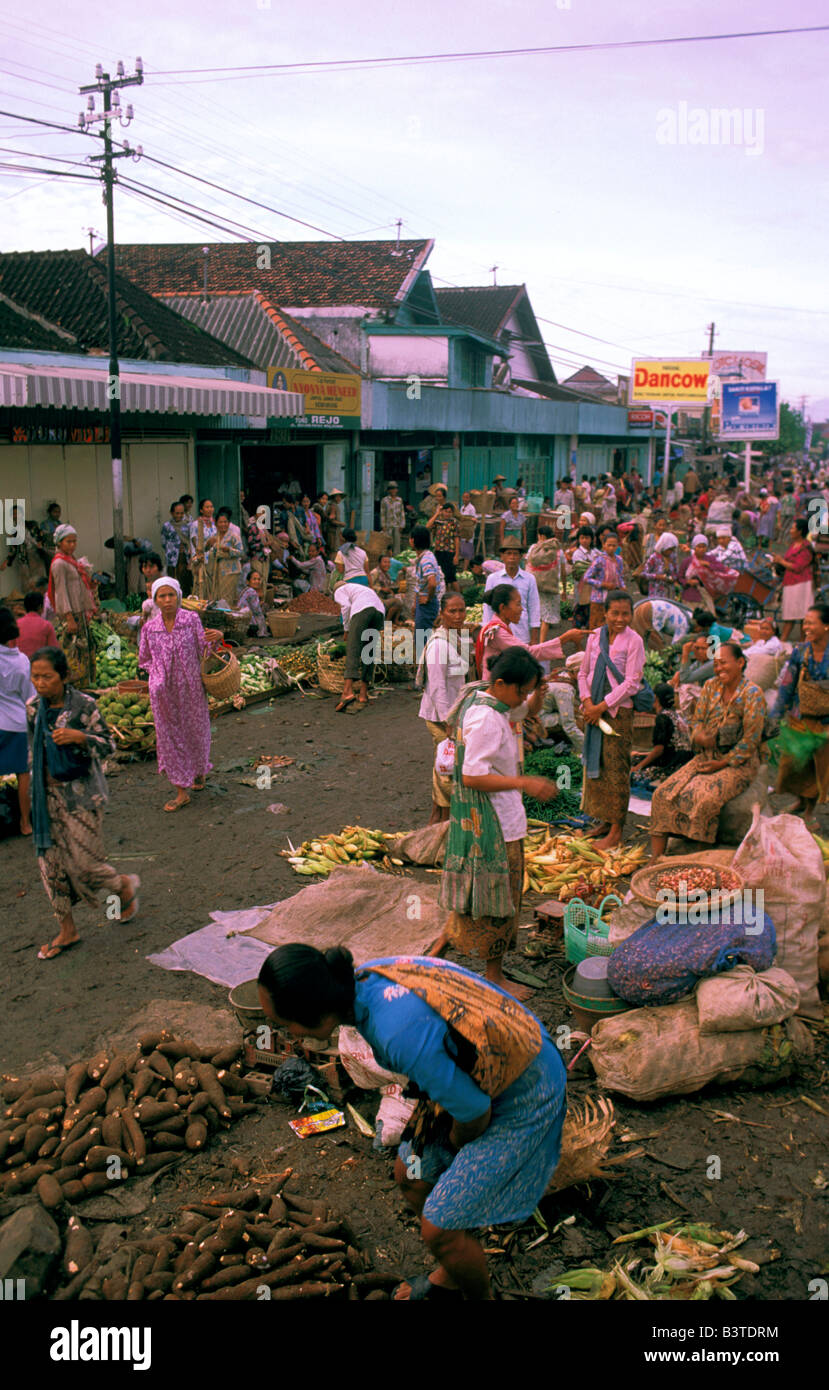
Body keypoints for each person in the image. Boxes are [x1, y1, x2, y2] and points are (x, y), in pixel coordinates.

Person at [257, 944, 566, 1302]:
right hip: (480, 1066)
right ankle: (453, 1271)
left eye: (285, 1024)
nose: (290, 1034)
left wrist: (455, 1146)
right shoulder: (365, 980)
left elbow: (475, 1113)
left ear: (315, 1013)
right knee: (412, 1175)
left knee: (438, 1230)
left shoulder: (395, 1031)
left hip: (524, 1085)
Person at [441, 647, 558, 999]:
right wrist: (526, 782)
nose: (523, 698)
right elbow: (473, 775)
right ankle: (493, 976)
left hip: (492, 817)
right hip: (493, 821)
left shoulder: (483, 700)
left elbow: (524, 710)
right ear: (503, 683)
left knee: (485, 897)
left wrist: (538, 692)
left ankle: (439, 953)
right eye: (521, 690)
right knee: (500, 900)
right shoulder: (487, 720)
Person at [27, 645, 139, 959]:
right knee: (51, 867)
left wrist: (80, 738)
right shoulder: (33, 710)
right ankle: (67, 929)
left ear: (63, 676)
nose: (40, 683)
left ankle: (121, 886)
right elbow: (31, 754)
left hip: (81, 798)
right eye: (35, 677)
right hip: (45, 799)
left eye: (47, 676)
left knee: (86, 865)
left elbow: (109, 745)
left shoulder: (84, 706)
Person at [650, 642, 766, 859]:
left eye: (723, 663)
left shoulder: (753, 694)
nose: (719, 668)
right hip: (706, 756)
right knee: (662, 794)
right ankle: (656, 859)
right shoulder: (711, 687)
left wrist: (721, 763)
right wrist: (699, 736)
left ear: (740, 663)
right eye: (715, 664)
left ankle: (698, 858)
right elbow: (697, 720)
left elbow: (750, 740)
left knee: (703, 798)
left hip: (738, 763)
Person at [138, 579, 223, 812]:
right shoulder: (149, 628)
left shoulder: (191, 620)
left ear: (178, 596)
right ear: (155, 600)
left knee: (195, 729)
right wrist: (157, 674)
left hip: (191, 687)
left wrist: (216, 639)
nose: (167, 601)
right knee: (169, 735)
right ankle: (180, 790)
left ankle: (197, 770)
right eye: (161, 597)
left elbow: (203, 650)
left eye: (171, 595)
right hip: (164, 692)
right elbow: (144, 659)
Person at [578, 590, 646, 849]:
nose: (620, 618)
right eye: (614, 613)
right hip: (593, 709)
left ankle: (616, 830)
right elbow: (583, 672)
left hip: (617, 713)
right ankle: (604, 821)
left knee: (616, 770)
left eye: (625, 613)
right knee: (600, 767)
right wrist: (587, 702)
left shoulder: (634, 641)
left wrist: (601, 707)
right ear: (605, 613)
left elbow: (632, 683)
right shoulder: (595, 636)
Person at [771, 602, 829, 830]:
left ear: (826, 626)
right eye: (805, 622)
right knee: (793, 763)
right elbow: (788, 683)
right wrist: (777, 712)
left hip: (824, 722)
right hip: (799, 716)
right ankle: (798, 800)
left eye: (811, 623)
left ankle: (809, 810)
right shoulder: (800, 651)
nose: (806, 627)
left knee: (818, 768)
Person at [417, 591, 470, 822]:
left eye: (461, 610)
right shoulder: (439, 644)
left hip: (453, 714)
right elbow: (438, 687)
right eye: (452, 611)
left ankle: (438, 816)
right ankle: (441, 821)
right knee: (446, 770)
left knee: (445, 767)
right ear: (442, 613)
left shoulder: (457, 637)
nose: (458, 616)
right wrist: (448, 722)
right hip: (441, 717)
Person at [477, 583, 584, 682]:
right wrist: (565, 638)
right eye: (518, 604)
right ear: (503, 607)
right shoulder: (498, 632)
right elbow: (528, 653)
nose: (521, 609)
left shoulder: (497, 627)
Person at [46, 524, 98, 687]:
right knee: (73, 654)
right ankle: (73, 688)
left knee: (83, 652)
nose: (73, 545)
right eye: (69, 542)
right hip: (72, 615)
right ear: (59, 543)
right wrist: (69, 618)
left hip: (79, 613)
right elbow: (60, 592)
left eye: (74, 541)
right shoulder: (59, 564)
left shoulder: (71, 561)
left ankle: (84, 687)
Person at [0, 607, 34, 834]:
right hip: (18, 723)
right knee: (23, 773)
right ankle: (25, 823)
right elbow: (29, 696)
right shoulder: (22, 661)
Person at [333, 578, 385, 713]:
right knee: (369, 651)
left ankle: (347, 691)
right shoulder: (358, 588)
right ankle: (363, 693)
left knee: (353, 648)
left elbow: (346, 607)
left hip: (363, 610)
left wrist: (346, 629)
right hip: (379, 612)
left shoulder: (339, 590)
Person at [482, 537, 541, 645]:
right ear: (502, 556)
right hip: (498, 633)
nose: (512, 557)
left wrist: (534, 638)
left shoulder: (529, 579)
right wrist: (486, 632)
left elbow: (534, 607)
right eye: (508, 553)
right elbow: (488, 609)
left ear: (521, 557)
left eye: (515, 554)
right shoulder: (493, 578)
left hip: (522, 633)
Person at [631, 682, 692, 785]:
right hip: (686, 760)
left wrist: (637, 768)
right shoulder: (677, 715)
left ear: (655, 698)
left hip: (673, 763)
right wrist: (643, 754)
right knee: (637, 757)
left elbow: (659, 751)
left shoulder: (662, 718)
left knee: (633, 773)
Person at [526, 526, 569, 640]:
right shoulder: (558, 551)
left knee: (535, 613)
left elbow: (527, 566)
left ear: (541, 536)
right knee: (547, 616)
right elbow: (563, 572)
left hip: (534, 585)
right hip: (551, 587)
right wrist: (564, 590)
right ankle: (541, 642)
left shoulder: (533, 548)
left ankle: (531, 640)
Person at [778, 518, 815, 642]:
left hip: (801, 584)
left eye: (793, 528)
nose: (790, 531)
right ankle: (785, 641)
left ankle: (802, 642)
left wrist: (781, 561)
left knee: (802, 615)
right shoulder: (793, 545)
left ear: (800, 531)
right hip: (790, 582)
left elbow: (798, 567)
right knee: (790, 613)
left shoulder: (806, 547)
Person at [583, 528, 625, 631]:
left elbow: (620, 576)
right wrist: (603, 584)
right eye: (609, 545)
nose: (611, 547)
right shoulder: (599, 560)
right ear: (604, 546)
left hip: (613, 597)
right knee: (596, 626)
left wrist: (623, 586)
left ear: (617, 546)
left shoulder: (619, 560)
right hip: (598, 598)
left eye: (614, 545)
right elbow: (586, 578)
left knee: (611, 625)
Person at [0, 507, 51, 591]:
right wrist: (7, 561)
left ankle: (42, 601)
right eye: (13, 514)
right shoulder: (13, 531)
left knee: (40, 581)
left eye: (17, 513)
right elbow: (13, 549)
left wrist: (41, 543)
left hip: (37, 555)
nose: (15, 516)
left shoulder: (32, 525)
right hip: (23, 557)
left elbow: (42, 537)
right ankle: (29, 601)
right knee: (26, 583)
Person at [412, 525, 446, 635]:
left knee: (422, 638)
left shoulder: (425, 560)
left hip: (427, 604)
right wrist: (415, 603)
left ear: (413, 541)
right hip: (422, 602)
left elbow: (432, 583)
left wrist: (428, 598)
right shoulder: (427, 556)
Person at [12, 590, 58, 662]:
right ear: (40, 607)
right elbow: (54, 652)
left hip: (19, 667)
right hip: (40, 668)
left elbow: (10, 649)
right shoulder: (46, 625)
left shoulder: (16, 624)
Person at [569, 525, 598, 629]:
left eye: (587, 538)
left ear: (592, 539)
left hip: (593, 587)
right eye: (582, 538)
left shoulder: (595, 552)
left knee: (591, 614)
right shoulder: (577, 553)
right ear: (578, 539)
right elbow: (582, 570)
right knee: (580, 610)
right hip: (582, 587)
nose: (585, 540)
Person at [161, 500, 193, 597]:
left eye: (182, 513)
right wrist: (173, 549)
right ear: (171, 513)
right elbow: (163, 542)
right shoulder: (167, 526)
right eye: (177, 513)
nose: (179, 515)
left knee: (185, 580)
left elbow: (191, 539)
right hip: (172, 558)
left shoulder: (188, 525)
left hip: (185, 557)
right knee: (173, 579)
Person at [428, 502, 461, 590]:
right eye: (446, 511)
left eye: (450, 512)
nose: (447, 514)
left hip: (450, 552)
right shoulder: (438, 522)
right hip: (439, 552)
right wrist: (437, 513)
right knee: (442, 577)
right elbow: (428, 526)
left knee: (452, 577)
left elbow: (457, 539)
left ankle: (459, 597)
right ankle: (447, 597)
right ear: (442, 512)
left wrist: (456, 555)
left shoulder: (454, 522)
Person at [190, 499, 217, 601]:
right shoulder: (196, 524)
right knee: (201, 587)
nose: (210, 509)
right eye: (207, 507)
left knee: (212, 587)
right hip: (200, 560)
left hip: (213, 560)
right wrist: (207, 545)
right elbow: (195, 542)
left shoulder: (215, 524)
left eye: (211, 506)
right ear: (201, 510)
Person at [640, 530, 679, 600]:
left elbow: (676, 573)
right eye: (669, 549)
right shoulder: (654, 558)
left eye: (672, 550)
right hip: (656, 593)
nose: (671, 552)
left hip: (669, 594)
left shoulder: (673, 557)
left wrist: (672, 578)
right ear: (664, 546)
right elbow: (644, 574)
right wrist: (658, 576)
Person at [370, 553, 405, 620]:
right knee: (397, 602)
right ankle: (387, 623)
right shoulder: (375, 572)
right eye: (385, 562)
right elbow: (368, 586)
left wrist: (389, 591)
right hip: (377, 599)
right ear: (379, 563)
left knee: (401, 600)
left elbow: (388, 588)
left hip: (384, 597)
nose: (387, 565)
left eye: (389, 562)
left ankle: (394, 621)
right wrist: (381, 589)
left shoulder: (387, 574)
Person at [237, 569, 268, 637]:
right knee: (261, 616)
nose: (257, 581)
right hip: (247, 622)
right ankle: (261, 634)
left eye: (259, 579)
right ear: (248, 582)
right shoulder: (252, 592)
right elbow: (257, 611)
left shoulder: (246, 590)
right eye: (254, 579)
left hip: (241, 619)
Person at [380, 483, 406, 555]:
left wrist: (402, 525)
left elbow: (402, 513)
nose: (394, 490)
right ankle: (387, 557)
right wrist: (383, 525)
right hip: (388, 525)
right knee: (388, 543)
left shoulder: (399, 500)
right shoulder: (385, 500)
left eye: (395, 489)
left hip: (397, 524)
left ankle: (396, 557)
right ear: (389, 490)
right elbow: (382, 513)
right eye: (392, 489)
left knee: (397, 543)